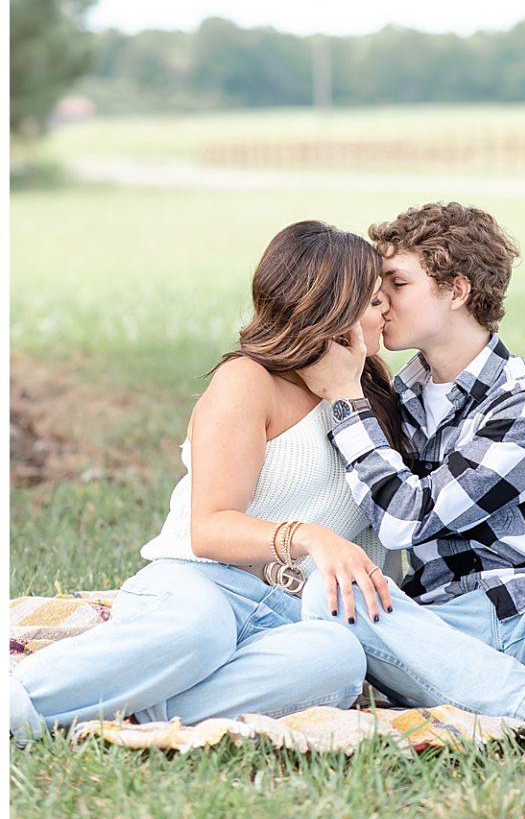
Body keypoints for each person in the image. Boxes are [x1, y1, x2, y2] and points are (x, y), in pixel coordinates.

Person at [293, 201, 525, 754]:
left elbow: (403, 520)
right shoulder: (397, 400)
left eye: (397, 282)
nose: (378, 302)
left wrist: (348, 403)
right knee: (328, 595)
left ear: (457, 290)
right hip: (446, 638)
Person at [10, 221, 400, 742]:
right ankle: (17, 706)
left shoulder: (368, 397)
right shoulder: (248, 381)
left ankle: (129, 709)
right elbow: (210, 530)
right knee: (199, 630)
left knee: (337, 658)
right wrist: (308, 536)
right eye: (375, 302)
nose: (387, 311)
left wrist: (348, 393)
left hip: (291, 611)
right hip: (201, 584)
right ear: (335, 313)